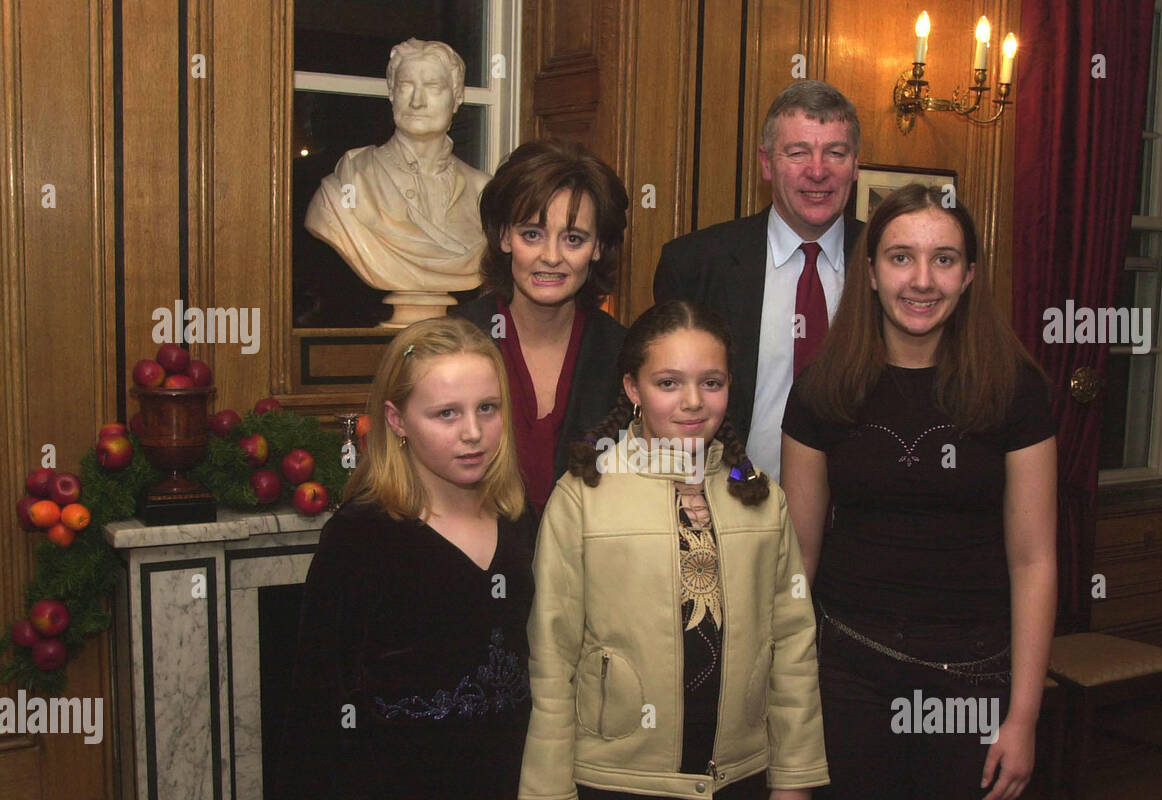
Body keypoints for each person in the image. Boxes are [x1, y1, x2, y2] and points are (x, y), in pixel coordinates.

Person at [780, 184, 1058, 800]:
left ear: (969, 276)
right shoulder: (821, 391)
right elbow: (798, 564)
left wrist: (1022, 717)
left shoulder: (1015, 390)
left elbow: (1034, 561)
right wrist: (785, 709)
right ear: (869, 270)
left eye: (944, 259)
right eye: (901, 258)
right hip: (848, 677)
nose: (922, 280)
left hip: (973, 680)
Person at [518, 300, 829, 800]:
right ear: (633, 387)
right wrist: (549, 794)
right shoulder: (584, 496)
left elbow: (792, 641)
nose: (692, 401)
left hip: (731, 781)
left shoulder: (759, 498)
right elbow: (550, 655)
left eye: (711, 383)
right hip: (615, 782)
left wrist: (794, 771)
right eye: (669, 383)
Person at [288, 316, 535, 800]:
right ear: (397, 422)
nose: (473, 433)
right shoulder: (361, 537)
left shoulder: (521, 520)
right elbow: (318, 698)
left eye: (487, 408)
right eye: (446, 413)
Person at [654, 80, 863, 482]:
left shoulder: (886, 264)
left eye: (835, 153)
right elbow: (664, 399)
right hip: (726, 503)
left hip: (856, 518)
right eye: (798, 152)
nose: (817, 171)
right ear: (767, 163)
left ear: (855, 164)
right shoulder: (696, 264)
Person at [452, 138, 629, 515]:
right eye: (532, 234)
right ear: (504, 237)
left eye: (573, 239)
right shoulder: (455, 341)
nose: (551, 257)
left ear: (598, 247)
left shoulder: (624, 355)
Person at [305, 39, 489, 301]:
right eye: (406, 86)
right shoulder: (350, 183)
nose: (417, 102)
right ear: (392, 93)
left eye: (433, 87)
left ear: (457, 97)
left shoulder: (482, 190)